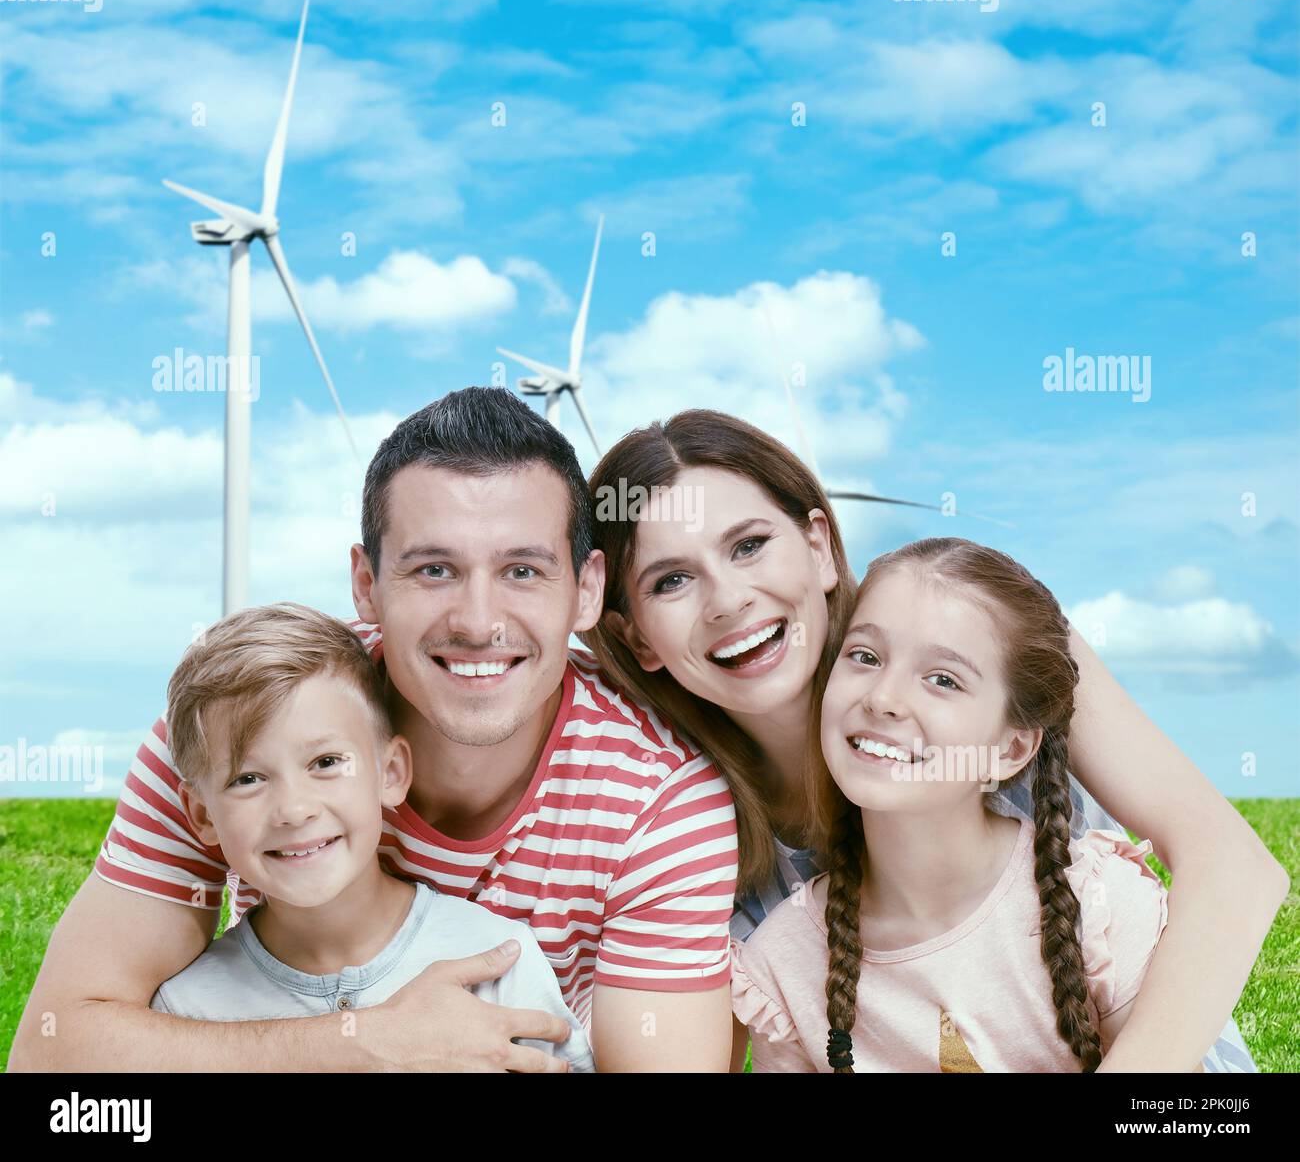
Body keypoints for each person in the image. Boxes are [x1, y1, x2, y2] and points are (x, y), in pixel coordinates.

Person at [10, 388, 737, 1073]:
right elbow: (54, 1054)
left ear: (585, 588)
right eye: (432, 569)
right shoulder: (233, 728)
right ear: (365, 583)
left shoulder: (663, 806)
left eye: (522, 569)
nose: (478, 622)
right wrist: (369, 1043)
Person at [582, 409, 1284, 1072]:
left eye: (750, 544)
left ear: (820, 547)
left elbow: (1235, 866)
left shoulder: (988, 631)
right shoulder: (690, 833)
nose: (727, 598)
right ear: (634, 634)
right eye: (672, 579)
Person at [733, 537, 1192, 1072]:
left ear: (1011, 748)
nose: (882, 698)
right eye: (865, 656)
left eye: (943, 680)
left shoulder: (1099, 903)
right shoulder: (781, 963)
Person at [148, 602, 594, 1073]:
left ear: (391, 773)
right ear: (202, 815)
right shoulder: (188, 1009)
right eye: (248, 779)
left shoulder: (496, 960)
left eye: (325, 763)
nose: (294, 810)